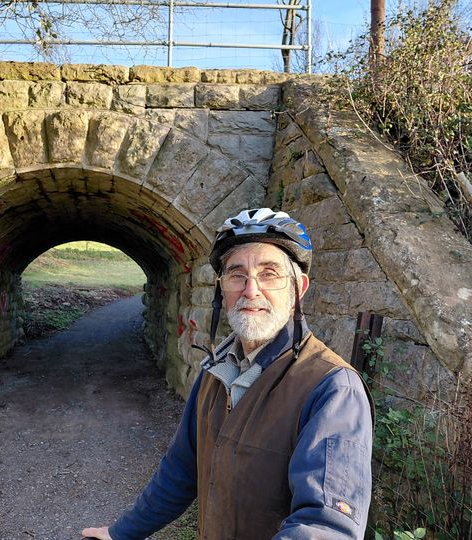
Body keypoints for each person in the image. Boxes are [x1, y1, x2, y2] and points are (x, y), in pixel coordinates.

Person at [81, 208, 374, 540]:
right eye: (237, 274)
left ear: (298, 288)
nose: (251, 290)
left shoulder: (332, 388)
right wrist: (122, 532)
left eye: (269, 273)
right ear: (222, 289)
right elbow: (181, 470)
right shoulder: (215, 370)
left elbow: (325, 527)